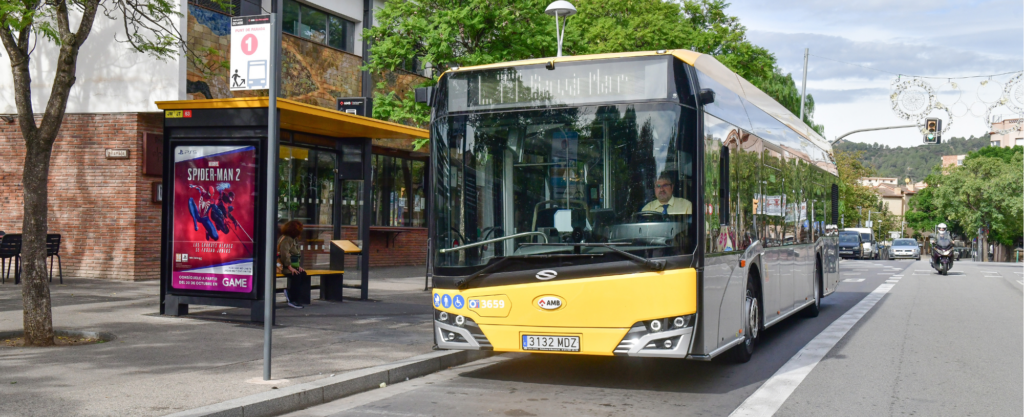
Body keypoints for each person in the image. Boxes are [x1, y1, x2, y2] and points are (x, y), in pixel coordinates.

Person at [278, 220, 309, 309]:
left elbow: (295, 254)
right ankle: (293, 299)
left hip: (291, 265)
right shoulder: (286, 239)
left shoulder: (293, 239)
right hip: (283, 266)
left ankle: (292, 294)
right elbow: (285, 254)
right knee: (296, 276)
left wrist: (297, 267)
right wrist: (290, 267)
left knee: (302, 274)